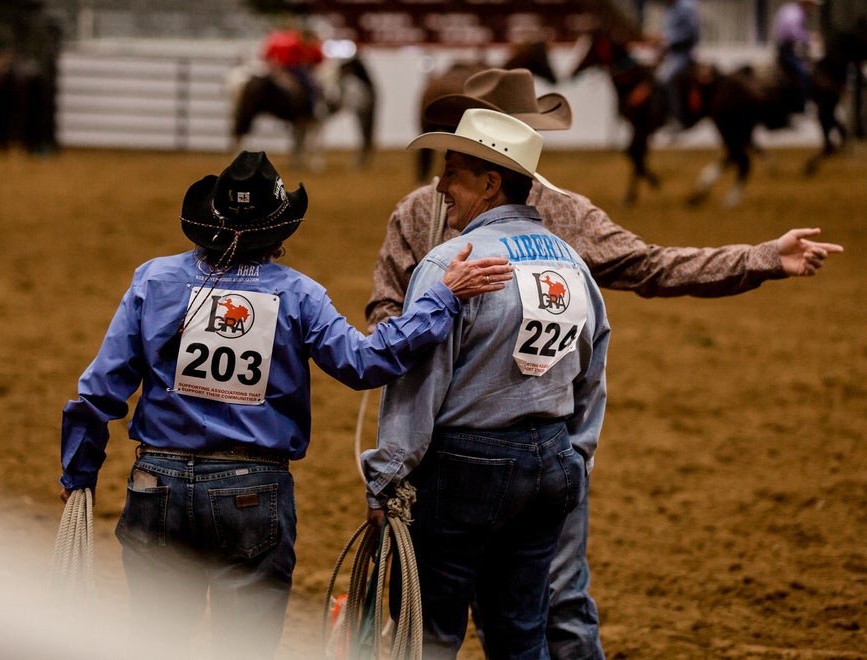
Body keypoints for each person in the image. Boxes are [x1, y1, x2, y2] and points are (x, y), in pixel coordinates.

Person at [364, 67, 845, 660]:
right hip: (538, 447)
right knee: (533, 611)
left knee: (492, 610)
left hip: (458, 451)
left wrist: (762, 256)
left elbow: (651, 265)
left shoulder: (550, 215)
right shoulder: (449, 216)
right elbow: (388, 313)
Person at [58, 150, 512, 658]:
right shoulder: (299, 294)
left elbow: (99, 390)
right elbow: (364, 363)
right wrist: (441, 298)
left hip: (156, 484)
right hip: (252, 491)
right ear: (279, 232)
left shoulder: (154, 281)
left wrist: (78, 474)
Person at [361, 108, 611, 658]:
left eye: (453, 172)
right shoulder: (573, 263)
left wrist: (386, 479)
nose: (442, 185)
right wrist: (576, 456)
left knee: (426, 635)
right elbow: (593, 367)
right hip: (550, 461)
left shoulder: (453, 263)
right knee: (521, 633)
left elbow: (418, 384)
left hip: (464, 468)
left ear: (491, 182)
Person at [261, 22, 324, 116]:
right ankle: (310, 111)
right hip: (292, 68)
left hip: (279, 69)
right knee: (311, 86)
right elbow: (303, 58)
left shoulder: (276, 39)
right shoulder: (295, 42)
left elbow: (266, 56)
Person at [655, 0, 701, 126]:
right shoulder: (670, 8)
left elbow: (692, 33)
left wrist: (668, 40)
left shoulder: (687, 7)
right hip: (671, 54)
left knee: (666, 79)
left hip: (683, 54)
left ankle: (676, 117)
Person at [772, 0, 821, 112]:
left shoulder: (789, 9)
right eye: (812, 6)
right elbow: (793, 32)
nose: (812, 9)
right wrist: (809, 38)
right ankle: (802, 103)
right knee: (803, 72)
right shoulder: (796, 14)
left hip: (787, 47)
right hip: (786, 49)